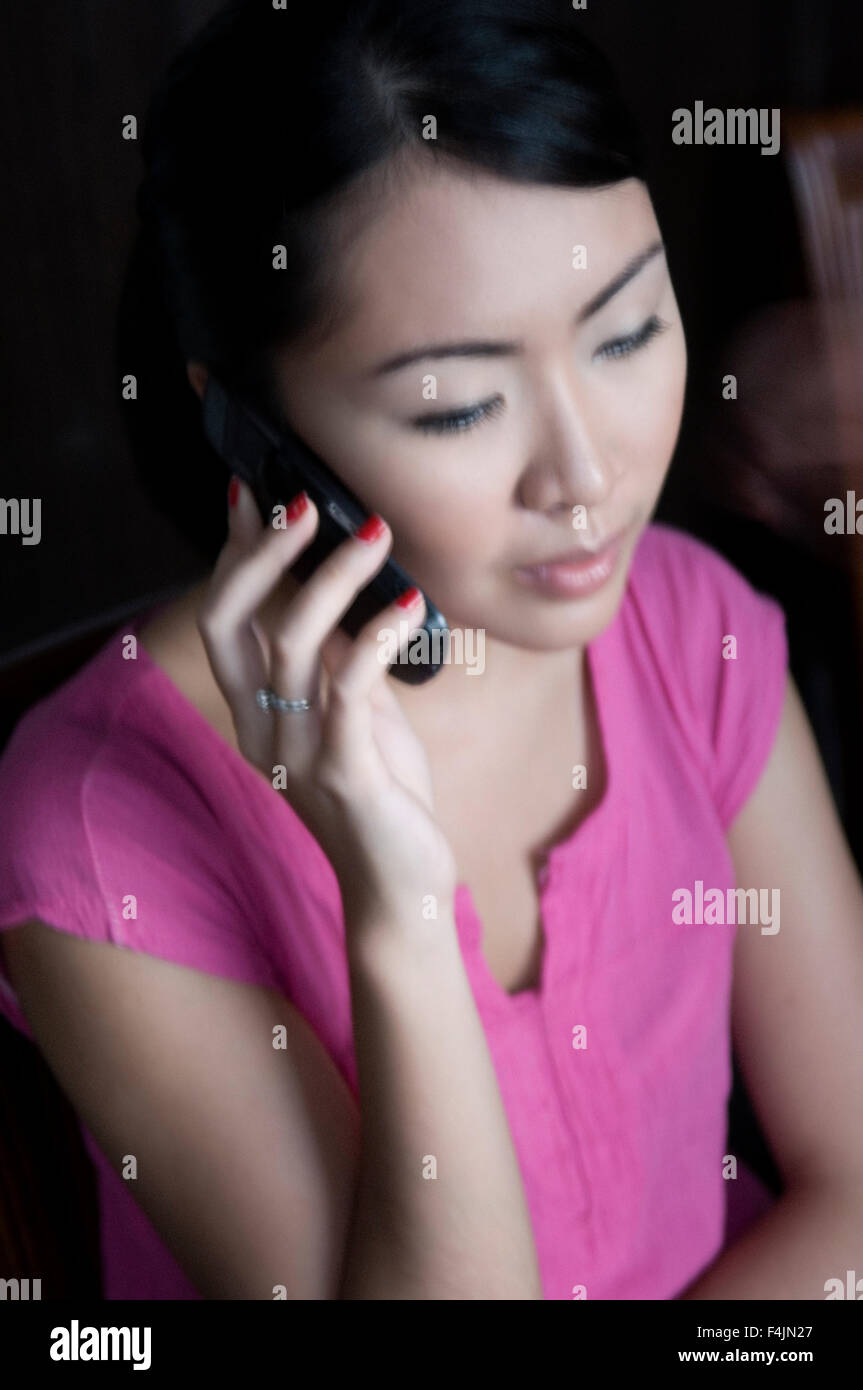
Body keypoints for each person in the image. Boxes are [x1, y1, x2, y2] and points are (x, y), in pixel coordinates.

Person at [2, 0, 863, 1301]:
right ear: (247, 426)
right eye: (458, 404)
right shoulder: (92, 827)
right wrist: (397, 916)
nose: (590, 477)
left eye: (627, 330)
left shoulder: (689, 624)